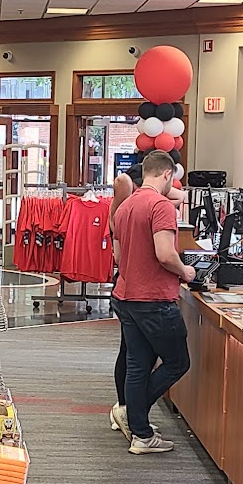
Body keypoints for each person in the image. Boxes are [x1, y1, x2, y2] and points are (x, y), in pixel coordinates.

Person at [109, 148, 198, 455]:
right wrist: (185, 271)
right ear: (167, 175)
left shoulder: (124, 208)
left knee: (137, 365)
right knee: (177, 362)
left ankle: (141, 432)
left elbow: (118, 257)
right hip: (153, 299)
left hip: (126, 297)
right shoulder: (161, 207)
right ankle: (136, 420)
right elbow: (164, 253)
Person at [108, 164, 136, 427]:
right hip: (131, 289)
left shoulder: (119, 211)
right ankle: (126, 408)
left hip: (124, 288)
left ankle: (125, 406)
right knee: (132, 354)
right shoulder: (126, 212)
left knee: (128, 350)